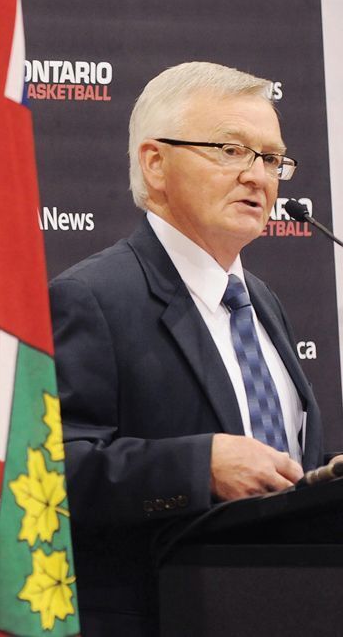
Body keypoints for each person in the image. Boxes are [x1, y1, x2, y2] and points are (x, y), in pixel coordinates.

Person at [50, 61, 323, 636]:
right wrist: (198, 467)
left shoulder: (263, 302)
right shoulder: (92, 298)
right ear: (155, 163)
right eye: (231, 150)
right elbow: (51, 473)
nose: (259, 177)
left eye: (272, 159)